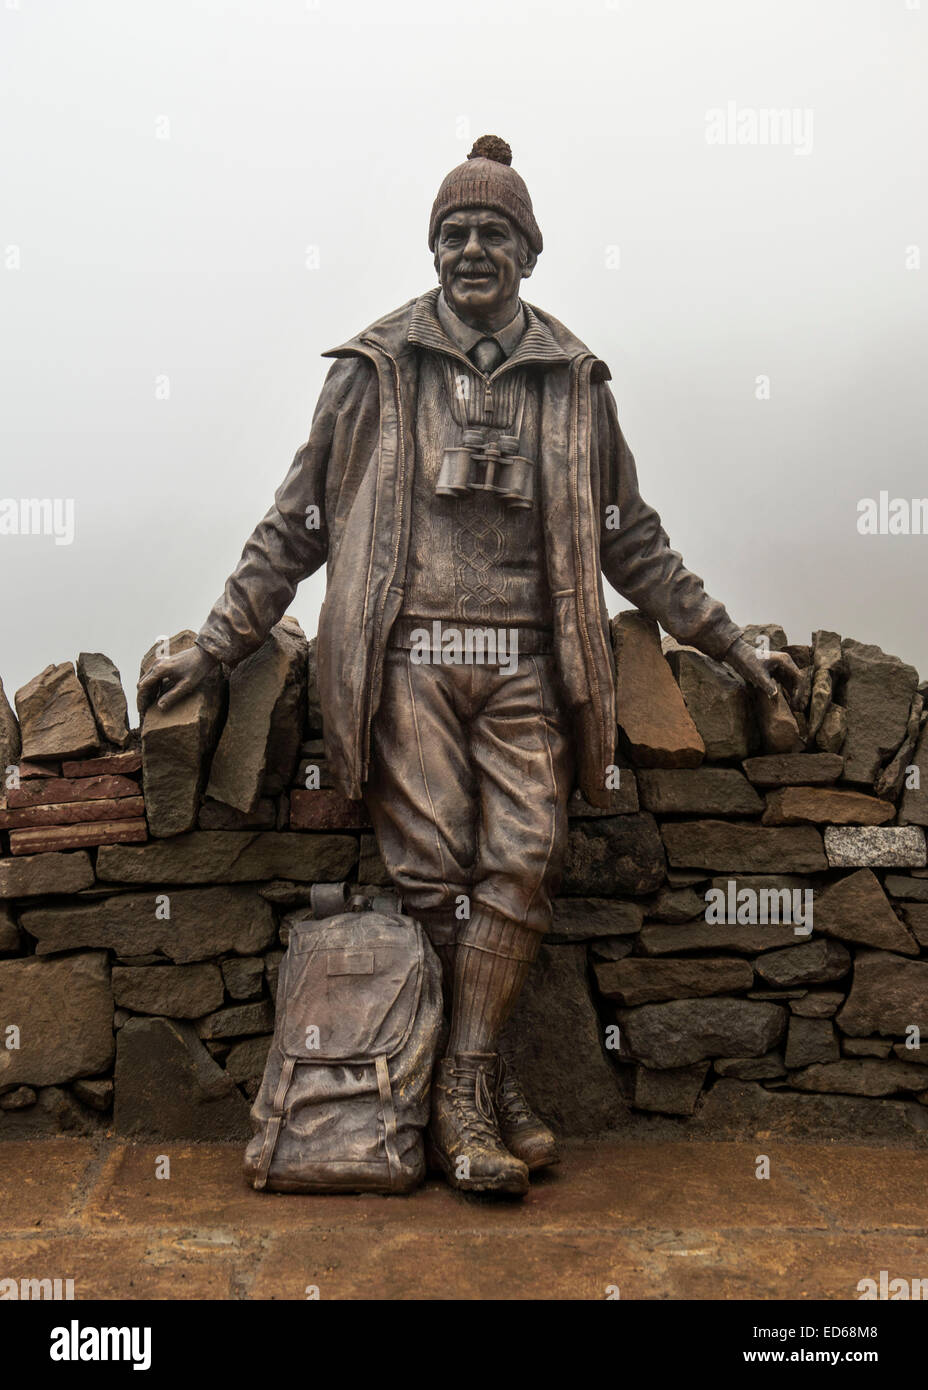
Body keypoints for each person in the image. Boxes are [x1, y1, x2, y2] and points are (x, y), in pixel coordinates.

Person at [138, 135, 798, 1196]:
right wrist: (219, 643)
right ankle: (470, 1092)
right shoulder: (375, 371)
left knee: (526, 855)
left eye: (494, 231)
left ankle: (469, 1071)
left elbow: (629, 537)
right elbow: (295, 524)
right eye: (454, 232)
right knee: (433, 871)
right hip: (411, 656)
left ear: (530, 251)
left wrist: (728, 639)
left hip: (529, 658)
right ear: (433, 248)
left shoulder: (575, 381)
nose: (471, 248)